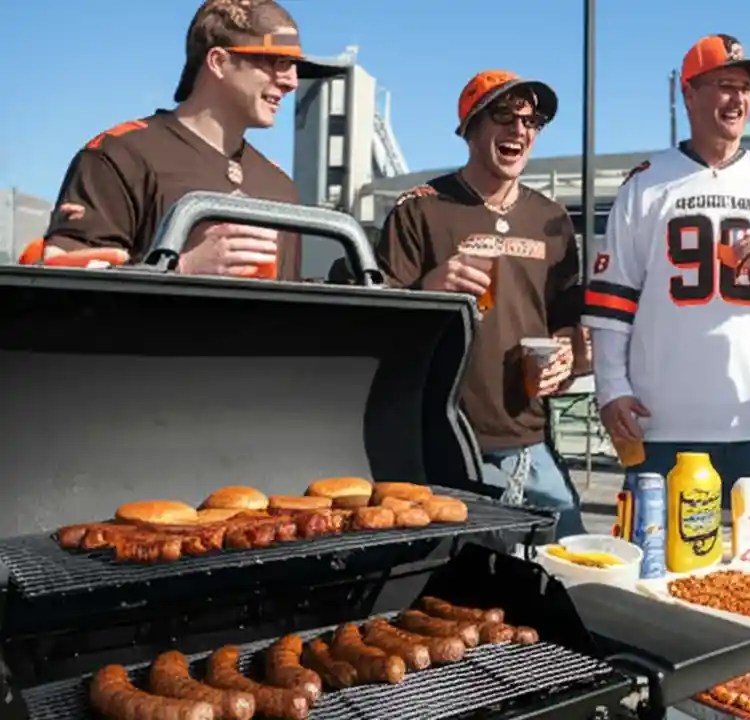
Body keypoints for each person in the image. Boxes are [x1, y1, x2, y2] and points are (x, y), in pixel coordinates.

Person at [583, 34, 750, 510]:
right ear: (688, 93)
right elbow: (612, 299)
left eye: (744, 88)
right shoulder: (646, 184)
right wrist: (611, 388)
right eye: (724, 86)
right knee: (661, 572)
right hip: (663, 423)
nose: (737, 99)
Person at [375, 70, 586, 539]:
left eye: (532, 122)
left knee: (571, 572)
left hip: (530, 442)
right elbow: (376, 321)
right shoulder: (421, 208)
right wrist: (427, 288)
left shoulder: (550, 218)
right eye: (504, 116)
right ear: (470, 127)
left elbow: (568, 318)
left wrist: (568, 353)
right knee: (455, 592)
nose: (519, 130)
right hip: (440, 443)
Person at [39, 0, 335, 280]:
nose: (291, 82)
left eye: (295, 67)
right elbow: (63, 291)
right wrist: (182, 267)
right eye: (277, 62)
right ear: (218, 61)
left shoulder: (279, 186)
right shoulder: (120, 156)